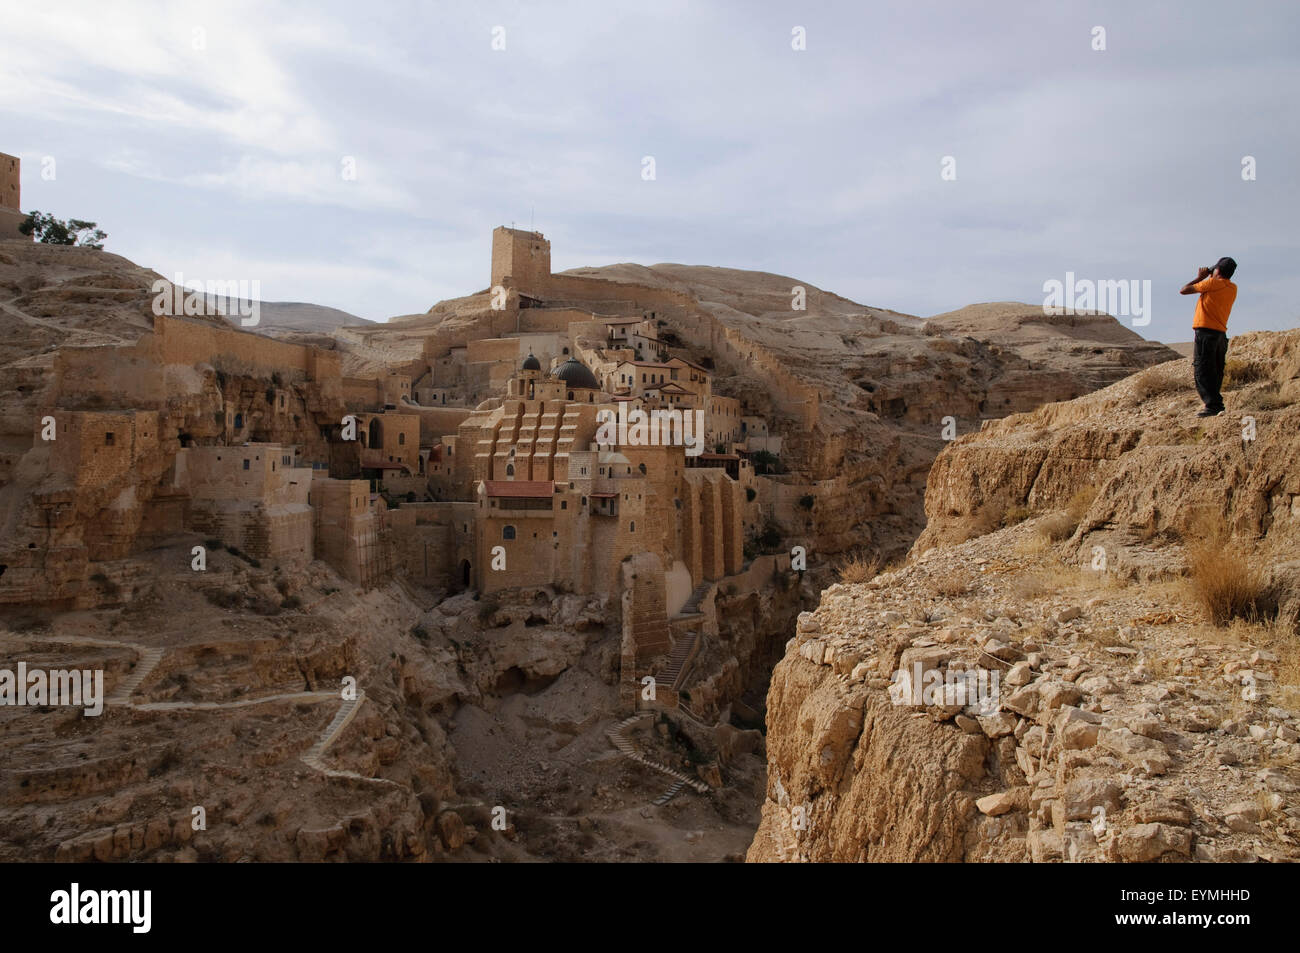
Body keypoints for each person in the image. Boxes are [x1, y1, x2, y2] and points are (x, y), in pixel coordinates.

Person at [1179, 256, 1238, 418]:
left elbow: (1184, 290)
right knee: (1216, 370)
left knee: (1202, 370)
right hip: (1220, 333)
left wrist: (1200, 277)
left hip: (1205, 332)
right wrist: (1212, 275)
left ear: (1218, 270)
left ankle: (1213, 405)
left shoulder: (1212, 284)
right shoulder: (1232, 288)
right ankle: (1216, 404)